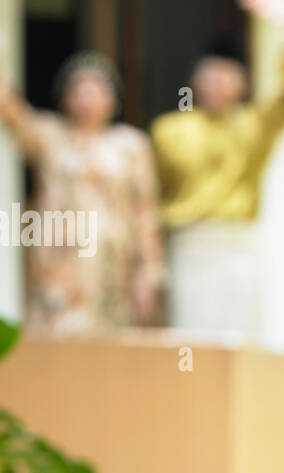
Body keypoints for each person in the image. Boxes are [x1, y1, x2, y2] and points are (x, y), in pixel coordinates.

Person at [150, 0, 284, 339]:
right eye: (211, 74)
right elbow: (151, 195)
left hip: (238, 246)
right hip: (188, 245)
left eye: (228, 75)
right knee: (188, 343)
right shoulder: (168, 131)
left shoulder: (255, 124)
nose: (218, 82)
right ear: (195, 81)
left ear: (243, 84)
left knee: (240, 344)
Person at [0, 41, 165, 335]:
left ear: (113, 99)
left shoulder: (131, 146)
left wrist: (148, 274)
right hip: (60, 275)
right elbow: (11, 113)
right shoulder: (50, 137)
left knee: (110, 360)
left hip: (114, 274)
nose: (87, 98)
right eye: (79, 90)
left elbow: (145, 214)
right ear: (66, 98)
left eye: (97, 89)